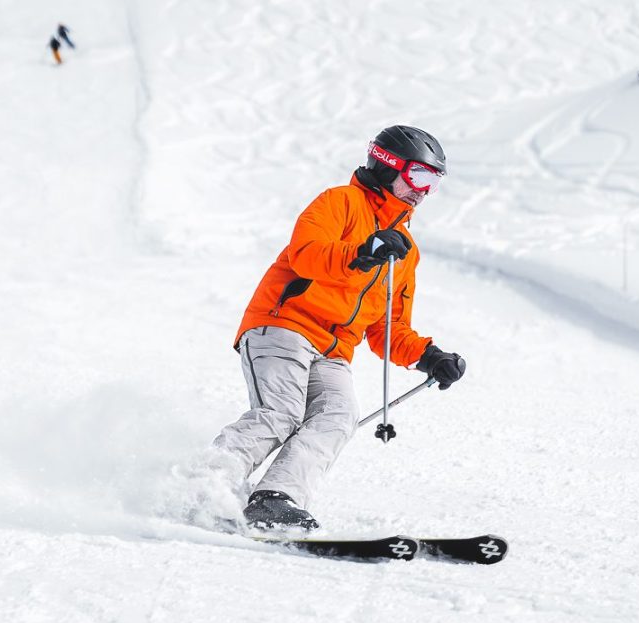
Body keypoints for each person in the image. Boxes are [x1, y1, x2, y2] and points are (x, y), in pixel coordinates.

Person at [187, 125, 467, 532]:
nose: (424, 191)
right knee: (281, 412)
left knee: (338, 416)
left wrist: (428, 356)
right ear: (390, 167)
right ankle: (202, 486)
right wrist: (363, 252)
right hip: (284, 325)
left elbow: (388, 327)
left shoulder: (404, 251)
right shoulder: (341, 203)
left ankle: (274, 498)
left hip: (334, 350)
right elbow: (306, 254)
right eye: (419, 177)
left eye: (434, 183)